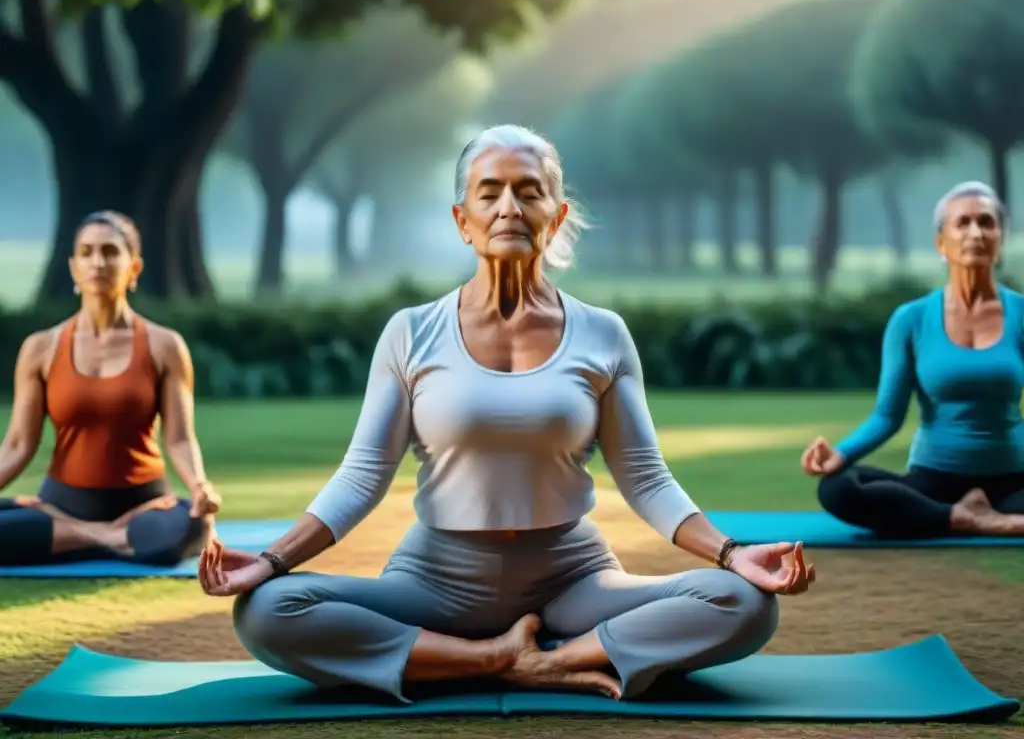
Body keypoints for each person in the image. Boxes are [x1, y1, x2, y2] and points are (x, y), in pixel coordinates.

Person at [198, 124, 815, 703]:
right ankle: (496, 659)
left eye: (529, 192)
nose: (509, 209)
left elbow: (646, 478)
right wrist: (272, 561)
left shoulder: (603, 334)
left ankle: (552, 658)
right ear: (462, 220)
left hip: (573, 579)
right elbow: (362, 476)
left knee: (744, 603)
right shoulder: (410, 332)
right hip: (435, 580)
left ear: (557, 216)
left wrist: (732, 554)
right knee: (267, 610)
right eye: (489, 193)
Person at [803, 181, 1024, 538]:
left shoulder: (1021, 314)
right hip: (934, 483)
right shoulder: (911, 319)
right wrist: (840, 454)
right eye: (963, 223)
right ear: (941, 243)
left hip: (1013, 482)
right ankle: (969, 518)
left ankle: (953, 518)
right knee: (837, 487)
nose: (975, 233)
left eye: (986, 223)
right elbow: (887, 417)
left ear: (1000, 238)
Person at [0, 210, 221, 567]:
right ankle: (108, 538)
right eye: (86, 252)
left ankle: (65, 540)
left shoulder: (165, 346)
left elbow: (180, 438)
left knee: (193, 525)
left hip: (144, 507)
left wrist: (199, 486)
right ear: (73, 268)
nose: (98, 262)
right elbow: (16, 445)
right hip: (61, 505)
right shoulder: (41, 348)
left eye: (110, 251)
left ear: (134, 267)